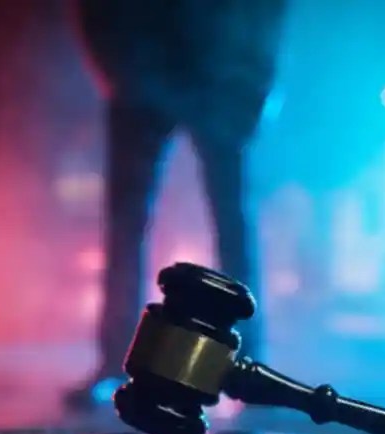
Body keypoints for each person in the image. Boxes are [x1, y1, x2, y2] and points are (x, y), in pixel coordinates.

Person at [65, 0, 289, 408]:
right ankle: (246, 364)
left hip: (179, 76)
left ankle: (118, 362)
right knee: (228, 226)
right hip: (191, 76)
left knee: (138, 228)